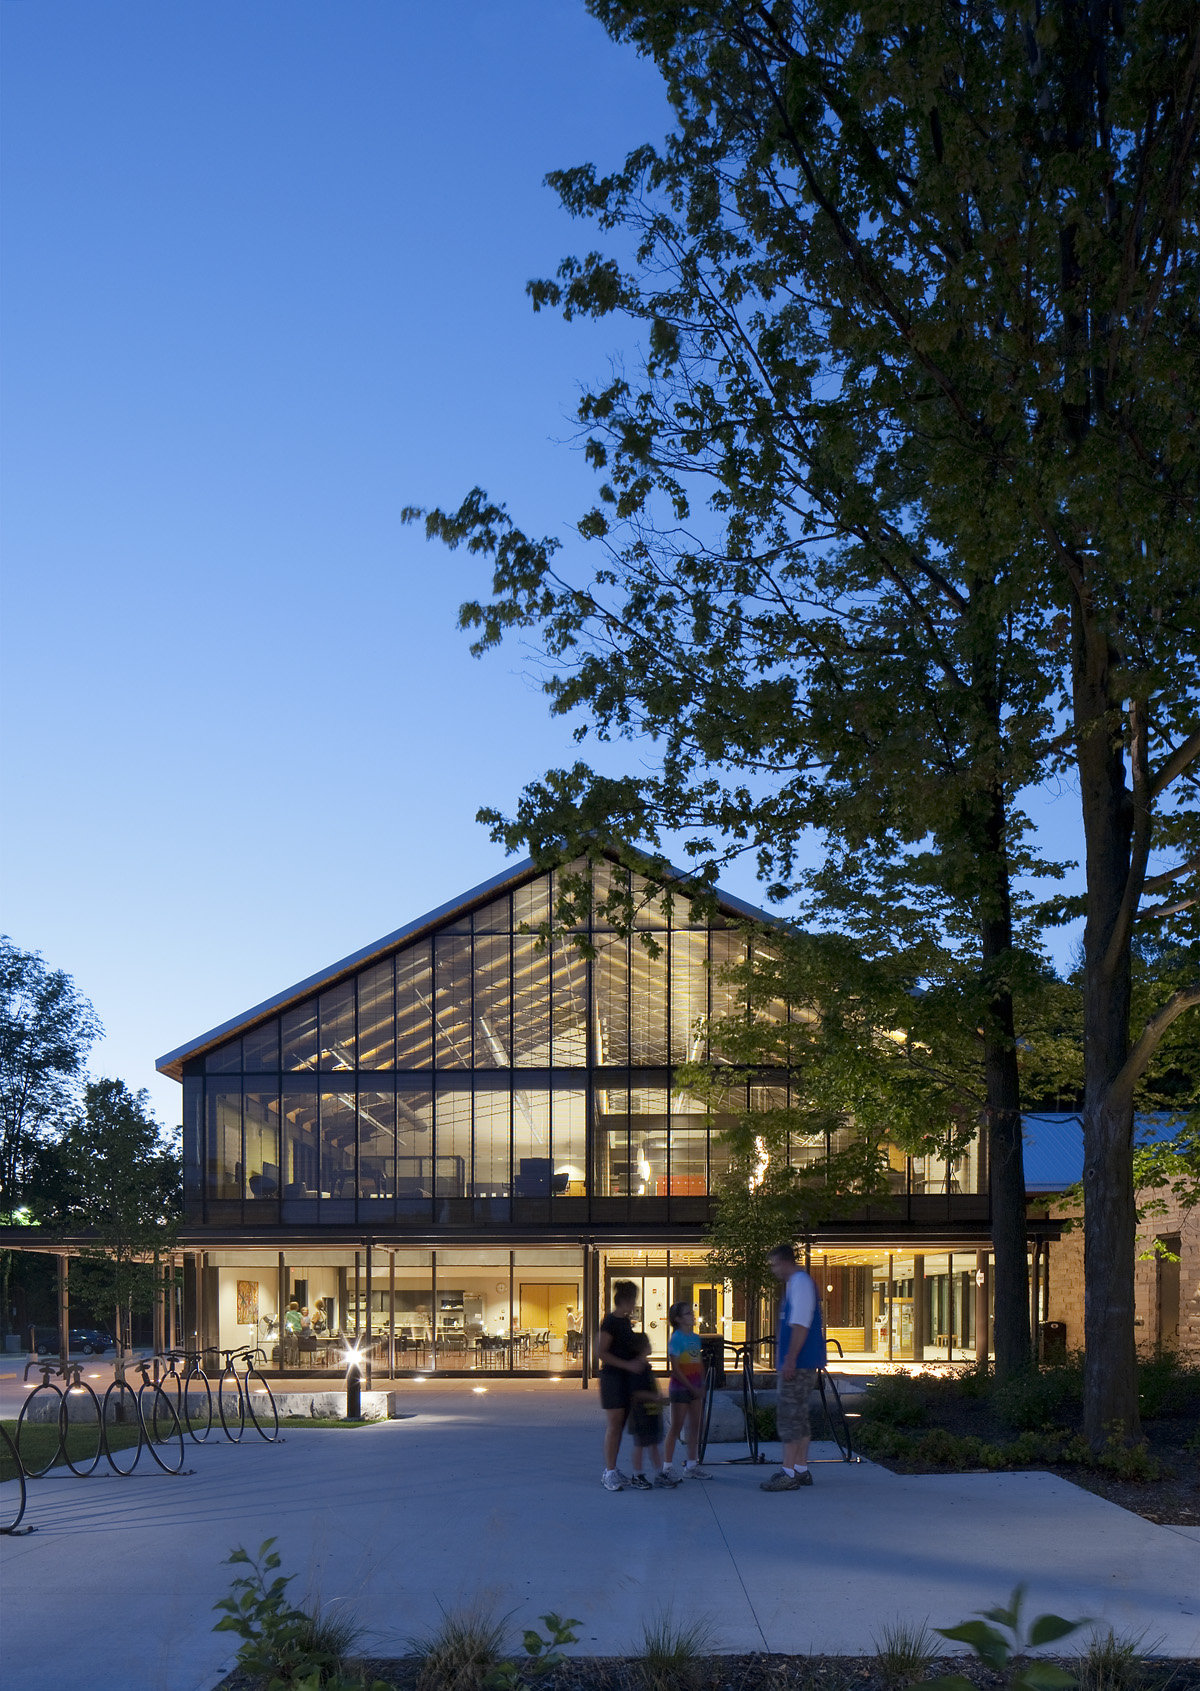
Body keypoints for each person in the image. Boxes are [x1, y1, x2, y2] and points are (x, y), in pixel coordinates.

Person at [761, 1243, 826, 1491]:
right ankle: (801, 1469)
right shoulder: (796, 1284)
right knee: (799, 1416)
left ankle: (788, 1473)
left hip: (799, 1363)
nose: (773, 1269)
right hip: (803, 1362)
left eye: (775, 1264)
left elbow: (800, 1325)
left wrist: (789, 1360)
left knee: (790, 1417)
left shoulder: (800, 1284)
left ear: (786, 1261)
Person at [597, 1279, 643, 1491]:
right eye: (634, 1298)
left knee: (620, 1425)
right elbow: (601, 1352)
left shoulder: (624, 1321)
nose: (635, 1302)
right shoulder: (610, 1322)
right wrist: (627, 1364)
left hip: (624, 1378)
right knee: (615, 1424)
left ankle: (613, 1469)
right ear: (627, 1299)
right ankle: (609, 1472)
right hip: (612, 1377)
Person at [663, 1301, 711, 1480]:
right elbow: (675, 1368)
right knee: (676, 1426)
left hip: (696, 1387)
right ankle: (667, 1467)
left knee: (695, 1426)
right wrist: (691, 1386)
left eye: (692, 1312)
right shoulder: (676, 1338)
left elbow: (698, 1362)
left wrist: (702, 1384)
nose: (692, 1316)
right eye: (688, 1313)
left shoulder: (695, 1337)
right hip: (680, 1388)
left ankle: (692, 1465)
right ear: (677, 1319)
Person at [627, 1332, 678, 1489]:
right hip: (640, 1414)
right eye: (648, 1344)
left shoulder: (646, 1367)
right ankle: (637, 1474)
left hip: (651, 1413)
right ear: (641, 1348)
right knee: (641, 1445)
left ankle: (658, 1473)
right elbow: (635, 1393)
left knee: (654, 1444)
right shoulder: (637, 1369)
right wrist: (655, 1398)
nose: (651, 1346)